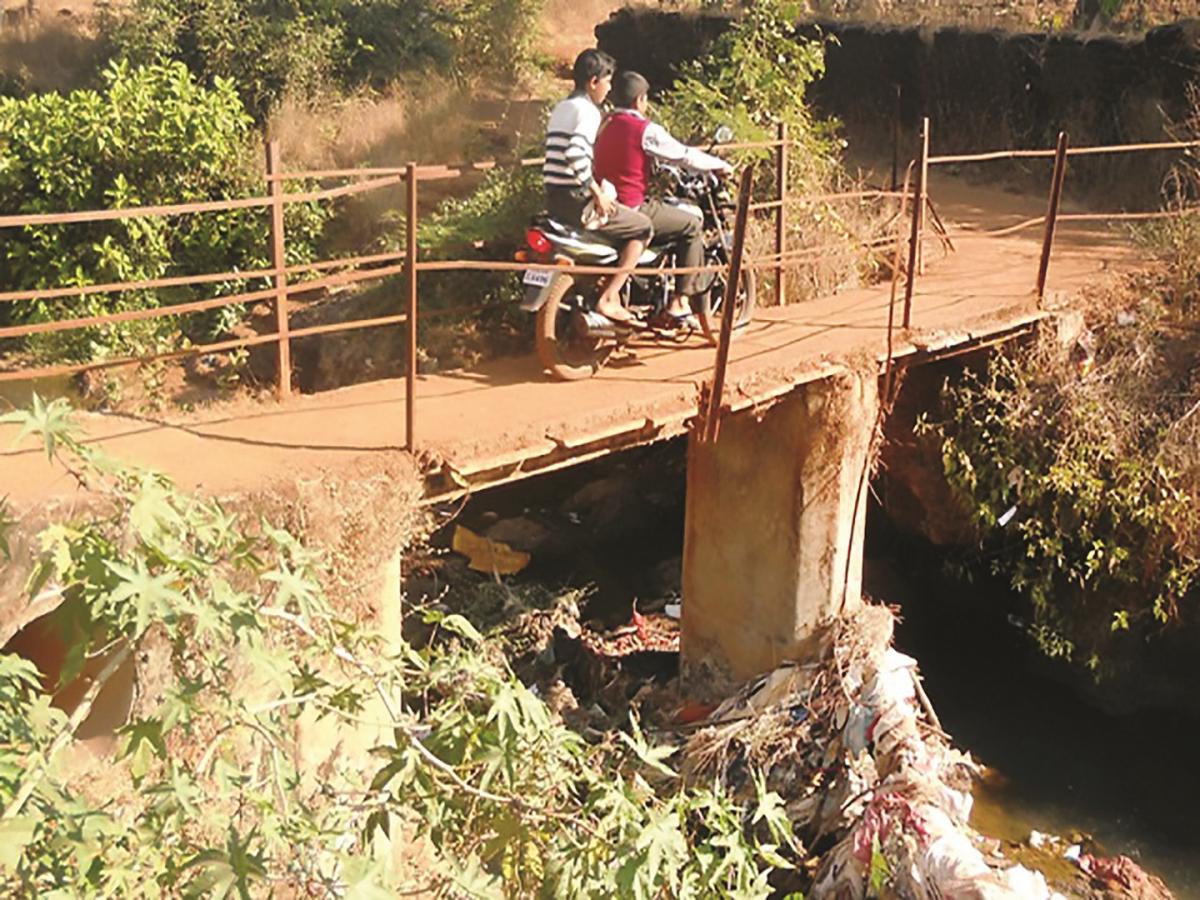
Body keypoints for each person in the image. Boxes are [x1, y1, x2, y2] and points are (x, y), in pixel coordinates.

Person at [593, 70, 731, 327]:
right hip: (631, 207)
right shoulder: (644, 130)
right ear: (640, 100)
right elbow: (684, 154)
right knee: (691, 224)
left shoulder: (604, 123)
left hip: (603, 205)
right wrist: (719, 165)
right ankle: (680, 302)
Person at [544, 49, 652, 325]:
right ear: (593, 82)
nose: (609, 88)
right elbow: (574, 153)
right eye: (607, 81)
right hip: (577, 199)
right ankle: (610, 297)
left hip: (554, 199)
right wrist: (597, 193)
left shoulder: (562, 107)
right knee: (643, 227)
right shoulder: (588, 111)